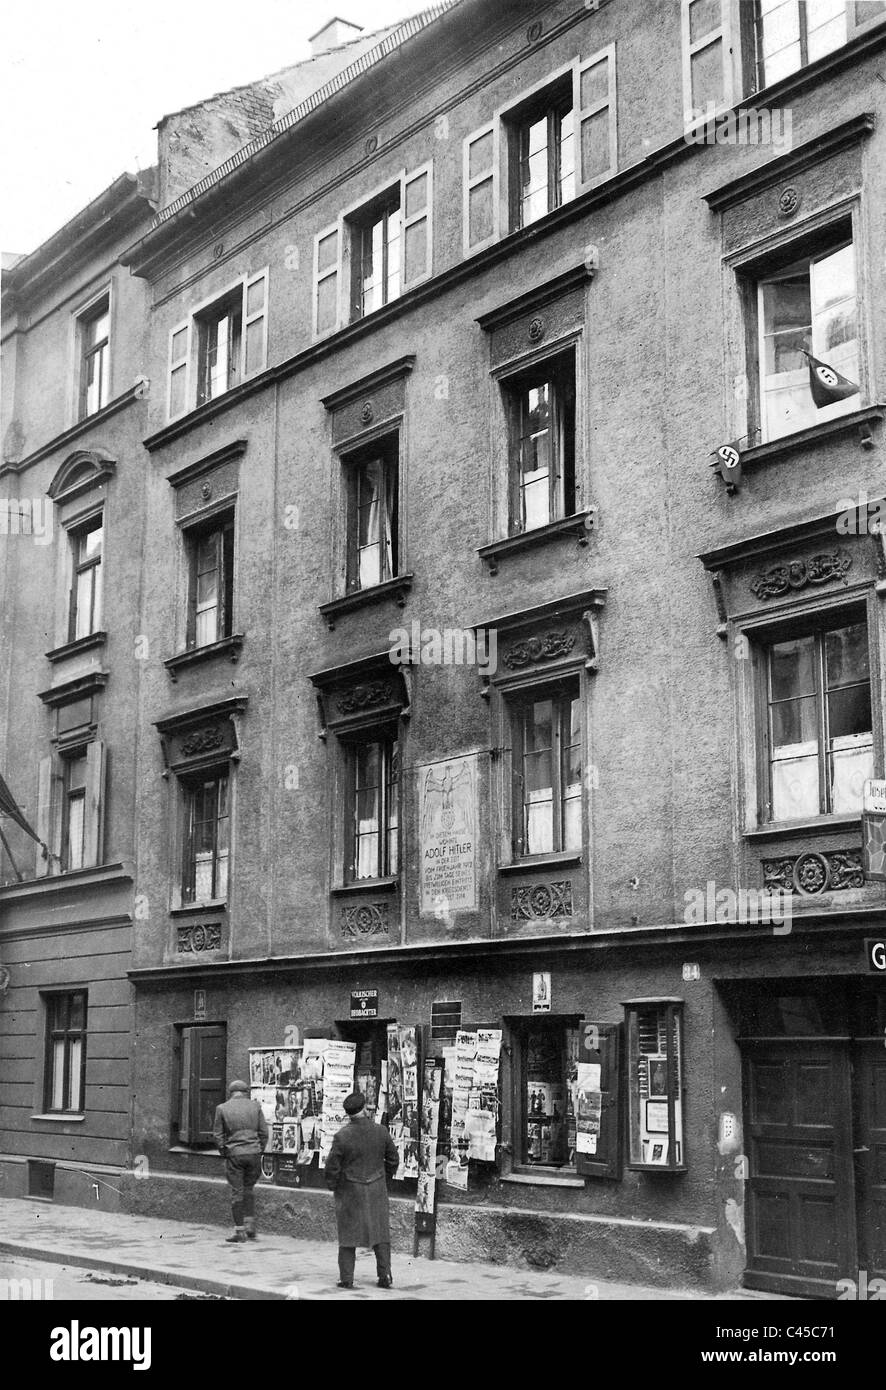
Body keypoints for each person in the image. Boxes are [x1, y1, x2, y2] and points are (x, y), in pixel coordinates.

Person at [324, 1091, 399, 1289]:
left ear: (348, 1114)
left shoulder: (342, 1136)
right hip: (376, 1189)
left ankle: (346, 1278)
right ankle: (385, 1275)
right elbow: (394, 1159)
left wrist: (334, 1186)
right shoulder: (381, 1131)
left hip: (350, 1191)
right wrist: (384, 1178)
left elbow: (332, 1167)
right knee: (380, 1233)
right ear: (365, 1108)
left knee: (348, 1235)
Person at [212, 1078, 269, 1243]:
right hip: (254, 1154)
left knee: (237, 1191)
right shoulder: (255, 1106)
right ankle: (250, 1226)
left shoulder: (222, 1108)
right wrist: (258, 1149)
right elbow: (264, 1133)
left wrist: (225, 1152)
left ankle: (239, 1231)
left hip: (235, 1154)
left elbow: (218, 1135)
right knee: (249, 1188)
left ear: (231, 1093)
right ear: (246, 1092)